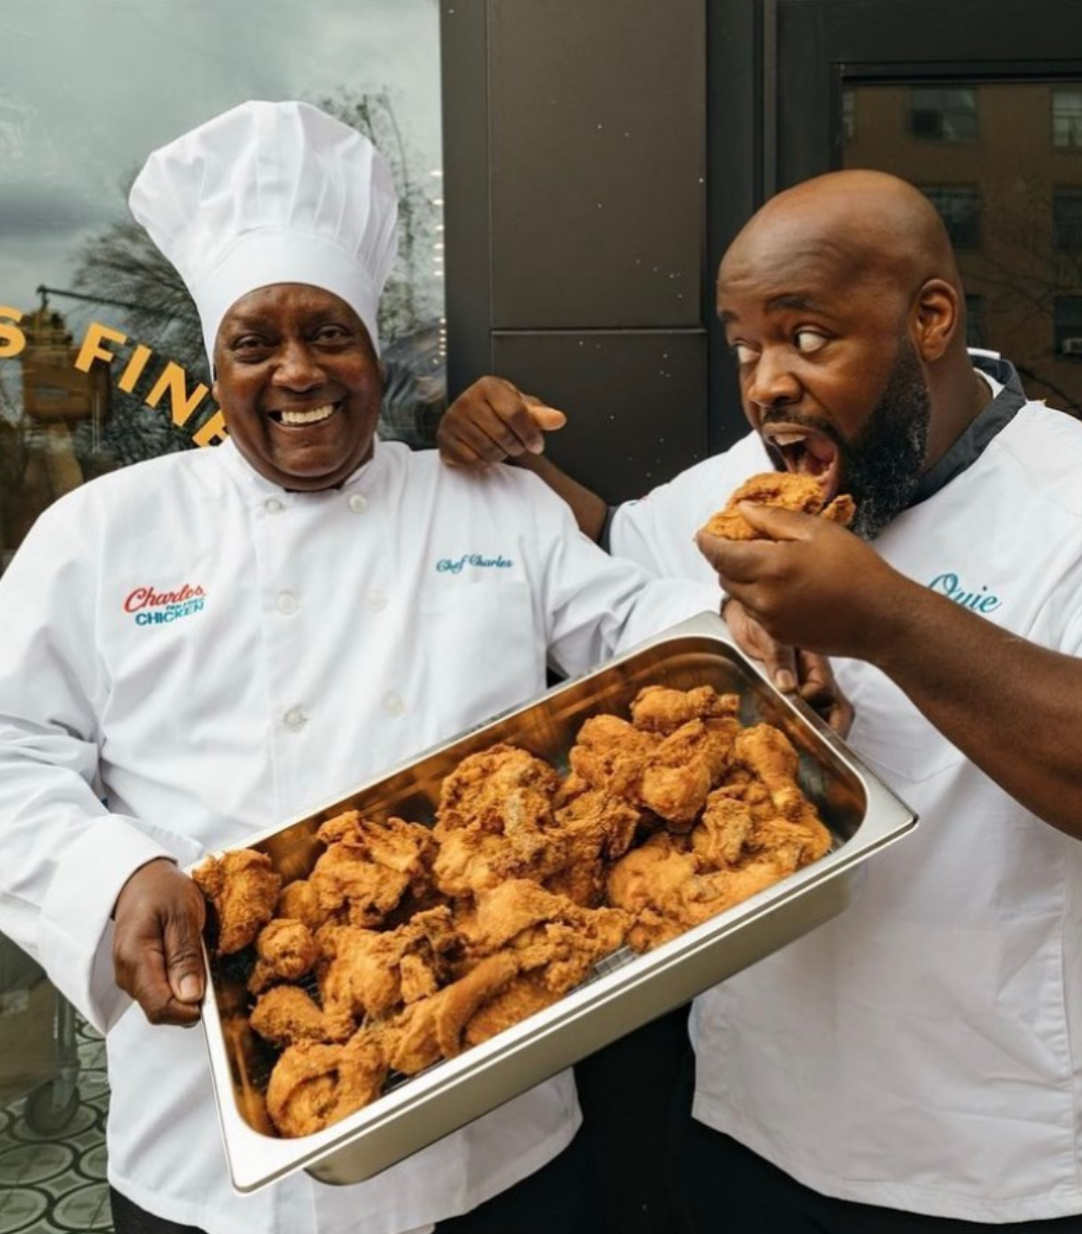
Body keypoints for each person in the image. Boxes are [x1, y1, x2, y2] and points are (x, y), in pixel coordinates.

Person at [0, 100, 754, 1234]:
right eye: (256, 343)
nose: (298, 372)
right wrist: (116, 874)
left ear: (375, 352)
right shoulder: (103, 533)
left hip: (494, 1126)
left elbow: (637, 625)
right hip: (211, 1132)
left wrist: (752, 640)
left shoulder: (491, 503)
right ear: (215, 362)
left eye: (330, 334)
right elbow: (11, 746)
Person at [435, 169, 1082, 1231]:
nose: (767, 385)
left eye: (806, 336)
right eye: (745, 347)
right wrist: (502, 457)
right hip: (753, 1131)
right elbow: (600, 554)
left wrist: (886, 620)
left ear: (930, 319)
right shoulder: (736, 487)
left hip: (1007, 1158)